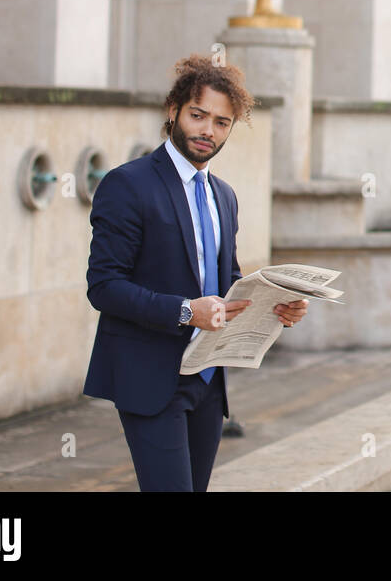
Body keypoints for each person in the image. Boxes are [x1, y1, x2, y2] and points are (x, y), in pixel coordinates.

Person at [83, 54, 310, 491]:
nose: (208, 131)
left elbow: (229, 283)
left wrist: (273, 306)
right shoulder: (127, 185)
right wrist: (187, 312)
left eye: (222, 123)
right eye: (198, 115)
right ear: (173, 112)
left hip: (208, 381)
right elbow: (105, 287)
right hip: (149, 376)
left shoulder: (223, 196)